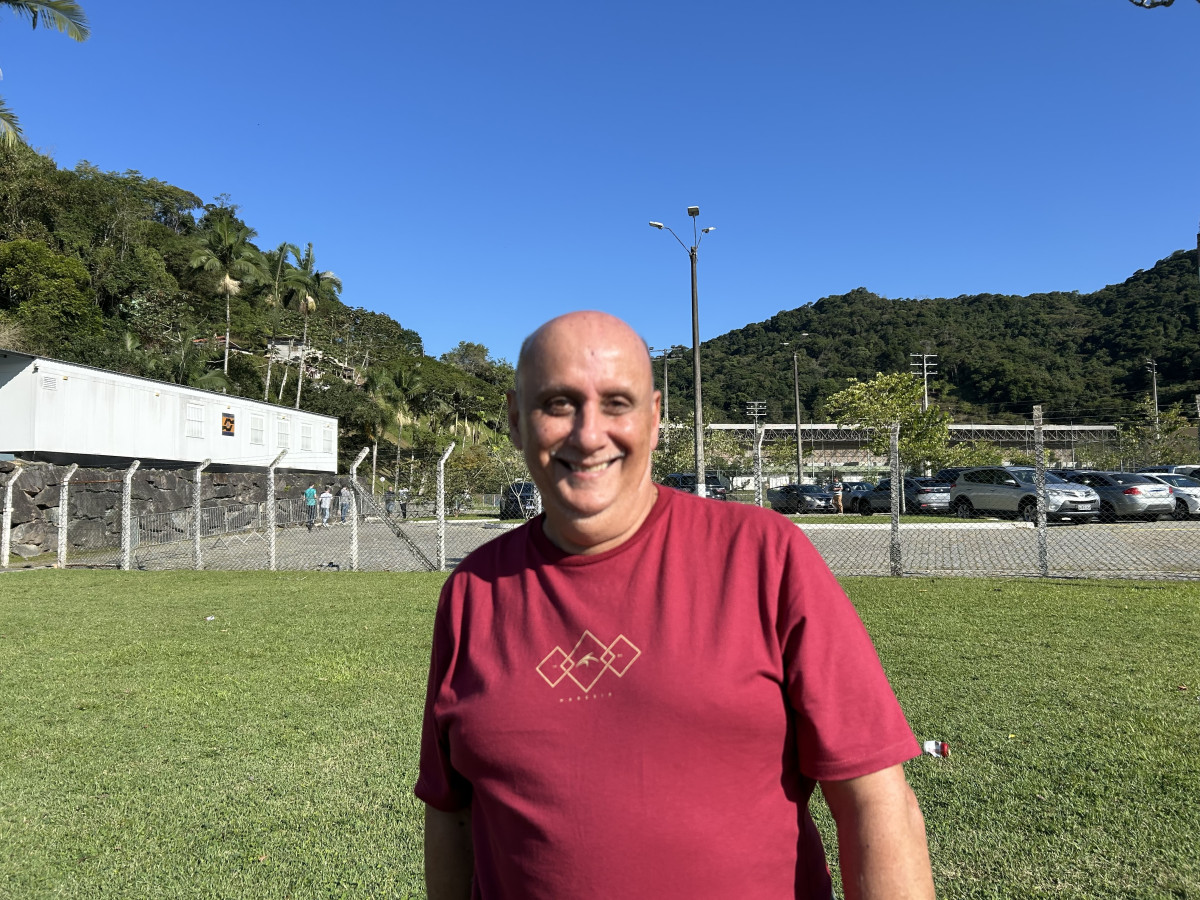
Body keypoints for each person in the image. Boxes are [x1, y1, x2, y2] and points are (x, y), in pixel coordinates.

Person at [416, 311, 934, 900]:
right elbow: (451, 813)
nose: (588, 434)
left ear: (655, 419)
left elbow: (875, 802)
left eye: (617, 403)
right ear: (515, 420)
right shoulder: (474, 591)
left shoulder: (764, 556)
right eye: (558, 404)